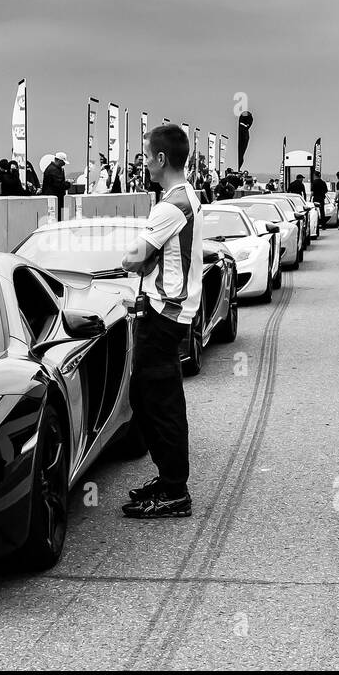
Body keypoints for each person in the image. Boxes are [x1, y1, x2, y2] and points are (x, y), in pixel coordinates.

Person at [121, 124, 201, 520]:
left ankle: (174, 489)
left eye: (146, 155)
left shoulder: (170, 206)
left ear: (161, 159)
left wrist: (139, 257)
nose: (143, 161)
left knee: (159, 402)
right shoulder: (187, 198)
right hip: (170, 312)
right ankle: (169, 478)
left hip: (163, 313)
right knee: (150, 397)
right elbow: (154, 254)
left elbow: (132, 258)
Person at [41, 152, 71, 217]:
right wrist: (68, 184)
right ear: (58, 160)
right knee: (56, 217)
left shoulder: (54, 169)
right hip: (54, 199)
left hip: (55, 198)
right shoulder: (53, 170)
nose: (64, 164)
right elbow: (59, 185)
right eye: (63, 162)